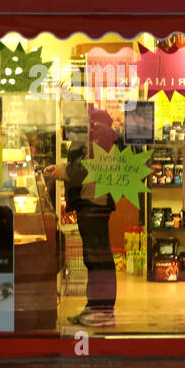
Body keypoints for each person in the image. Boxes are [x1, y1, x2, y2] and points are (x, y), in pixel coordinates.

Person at [46, 140, 117, 329]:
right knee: (92, 257)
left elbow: (88, 167)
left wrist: (64, 170)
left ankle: (104, 311)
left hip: (94, 200)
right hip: (91, 200)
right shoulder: (90, 130)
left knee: (98, 256)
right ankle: (95, 306)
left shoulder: (95, 131)